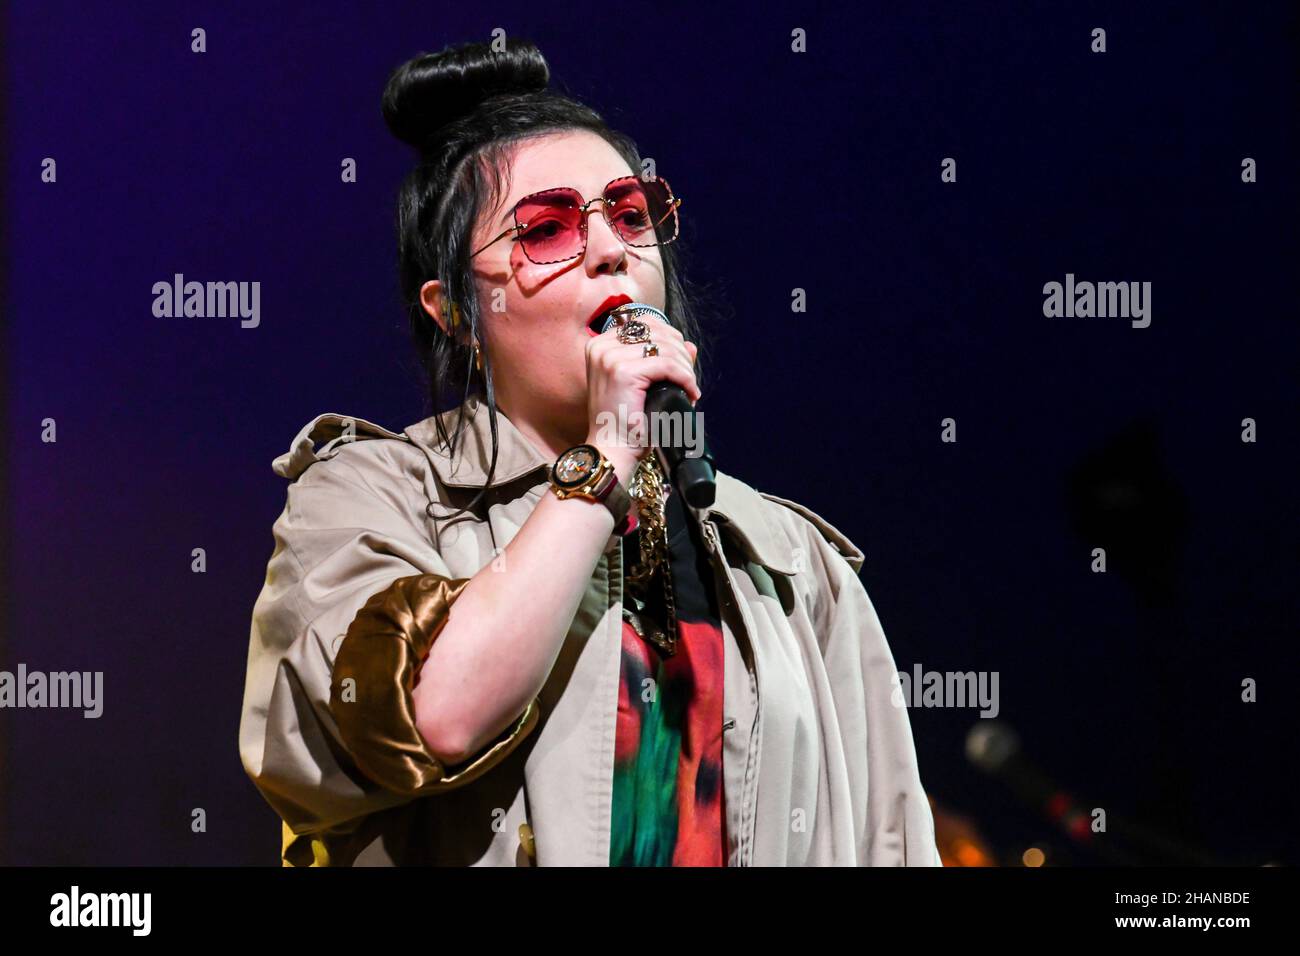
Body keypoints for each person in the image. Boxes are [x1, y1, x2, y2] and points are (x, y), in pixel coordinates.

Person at [238, 37, 942, 867]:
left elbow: (890, 844)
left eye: (630, 213)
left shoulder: (793, 560)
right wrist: (605, 456)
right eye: (547, 229)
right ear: (456, 312)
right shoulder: (370, 493)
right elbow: (433, 717)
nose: (612, 249)